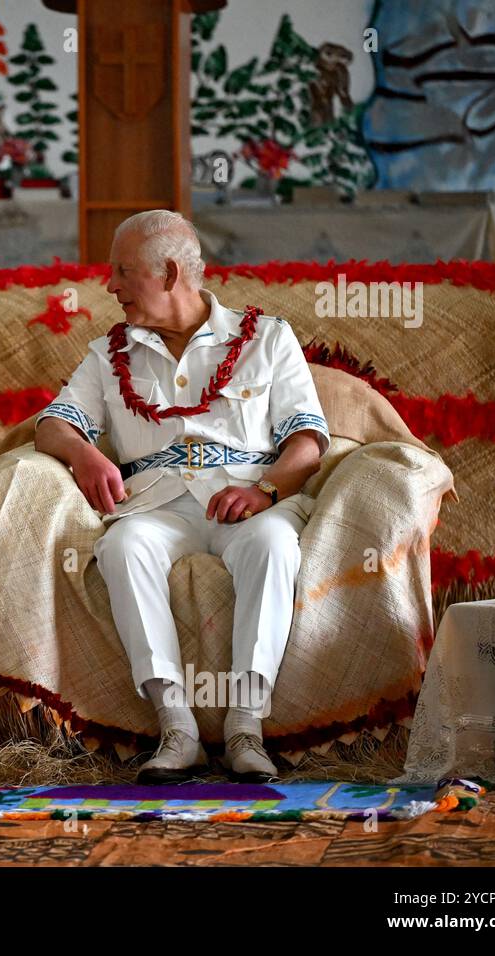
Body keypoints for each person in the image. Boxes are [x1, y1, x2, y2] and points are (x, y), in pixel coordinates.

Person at [34, 210, 329, 783]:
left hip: (246, 500)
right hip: (159, 505)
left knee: (273, 544)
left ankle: (246, 726)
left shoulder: (267, 339)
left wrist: (265, 491)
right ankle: (177, 729)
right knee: (122, 547)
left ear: (169, 273)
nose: (110, 286)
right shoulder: (109, 354)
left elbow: (309, 442)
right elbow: (53, 425)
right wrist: (84, 452)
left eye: (122, 272)